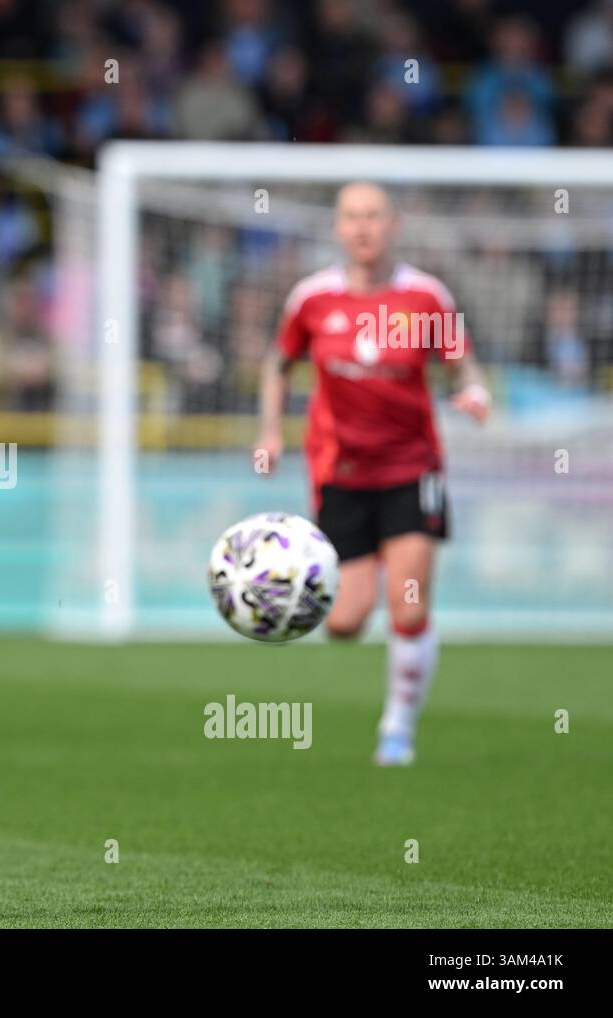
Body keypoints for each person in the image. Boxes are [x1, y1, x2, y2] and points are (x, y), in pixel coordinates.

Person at [255, 181, 490, 767]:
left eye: (374, 216)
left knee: (408, 605)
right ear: (338, 228)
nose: (363, 227)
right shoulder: (312, 300)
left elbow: (461, 365)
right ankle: (361, 603)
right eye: (352, 217)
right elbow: (277, 366)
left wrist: (474, 391)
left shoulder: (423, 297)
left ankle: (398, 728)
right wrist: (268, 432)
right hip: (341, 473)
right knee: (344, 620)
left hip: (413, 469)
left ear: (394, 225)